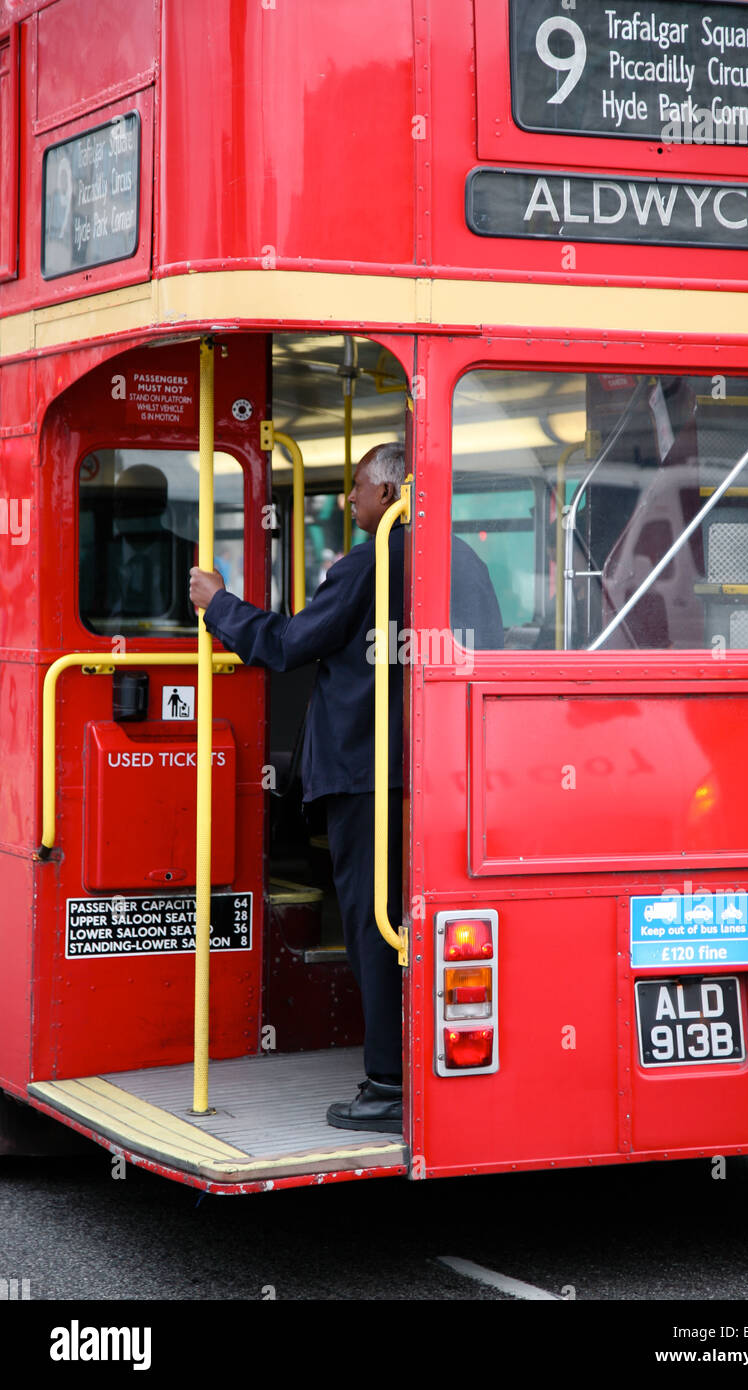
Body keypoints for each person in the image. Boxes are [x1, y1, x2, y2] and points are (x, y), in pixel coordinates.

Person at [189, 442, 503, 1135]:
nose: (350, 499)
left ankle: (390, 1082)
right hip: (443, 773)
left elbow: (290, 644)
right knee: (425, 922)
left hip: (367, 775)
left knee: (372, 920)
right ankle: (433, 1064)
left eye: (359, 487)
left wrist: (220, 606)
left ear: (390, 496)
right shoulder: (468, 564)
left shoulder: (367, 564)